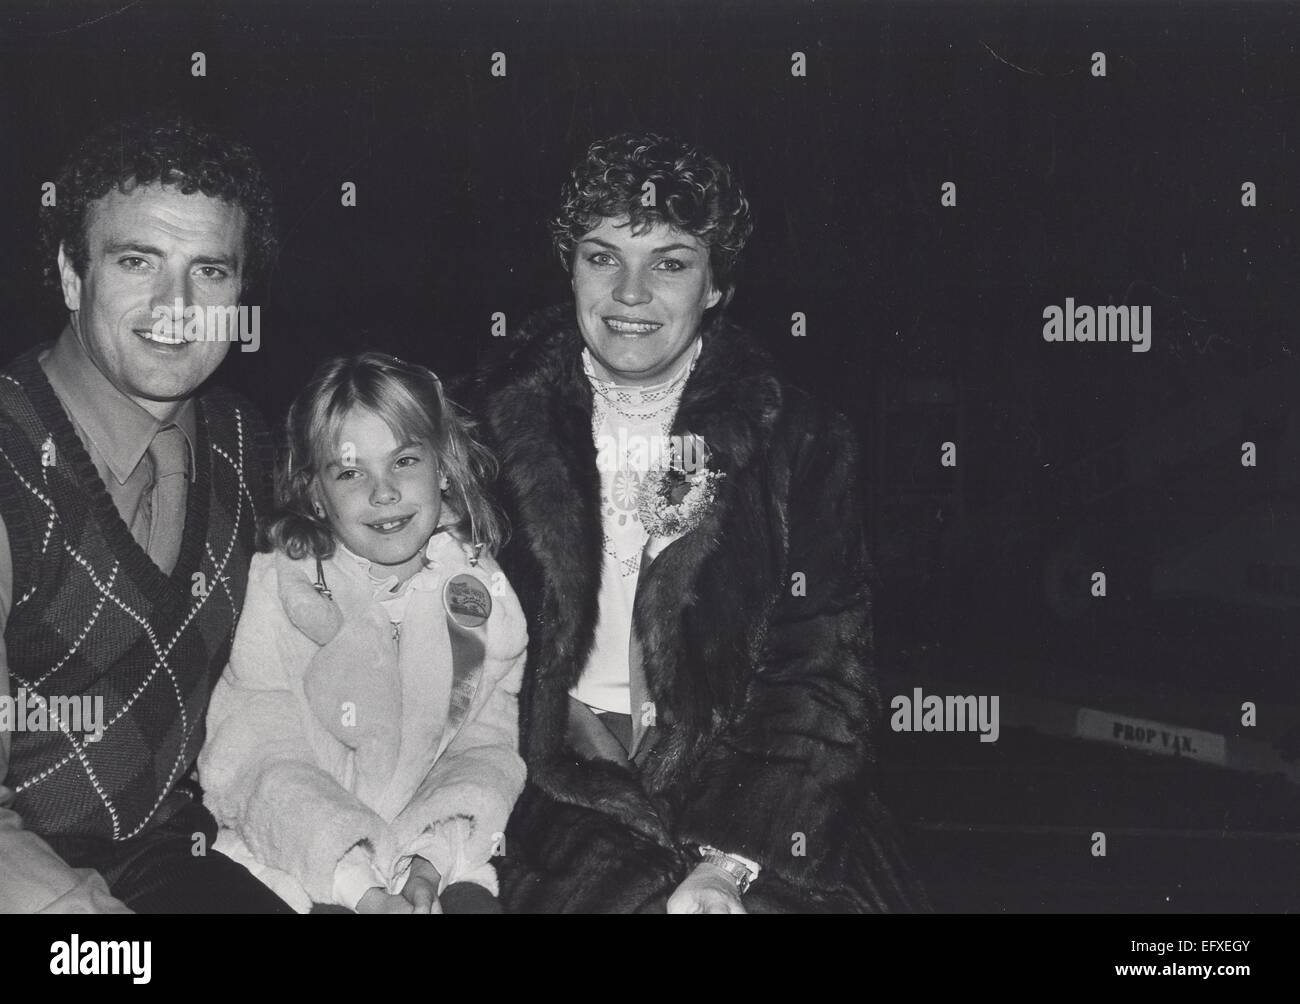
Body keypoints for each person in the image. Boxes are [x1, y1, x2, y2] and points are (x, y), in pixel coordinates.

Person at [465, 131, 928, 913]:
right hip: (552, 781)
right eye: (603, 256)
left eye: (671, 263)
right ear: (569, 266)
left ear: (716, 285)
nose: (631, 293)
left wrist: (731, 859)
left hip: (756, 773)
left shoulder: (801, 439)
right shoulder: (479, 422)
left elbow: (822, 674)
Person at [0, 114, 289, 912]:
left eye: (210, 273)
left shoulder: (243, 442)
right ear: (70, 274)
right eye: (138, 262)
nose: (177, 305)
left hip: (169, 851)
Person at [198, 353, 527, 914]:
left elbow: (484, 749)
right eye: (350, 471)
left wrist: (429, 863)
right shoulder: (283, 586)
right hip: (297, 861)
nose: (384, 492)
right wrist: (358, 885)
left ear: (442, 467)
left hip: (435, 859)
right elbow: (255, 754)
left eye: (403, 460)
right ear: (315, 493)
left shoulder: (479, 591)